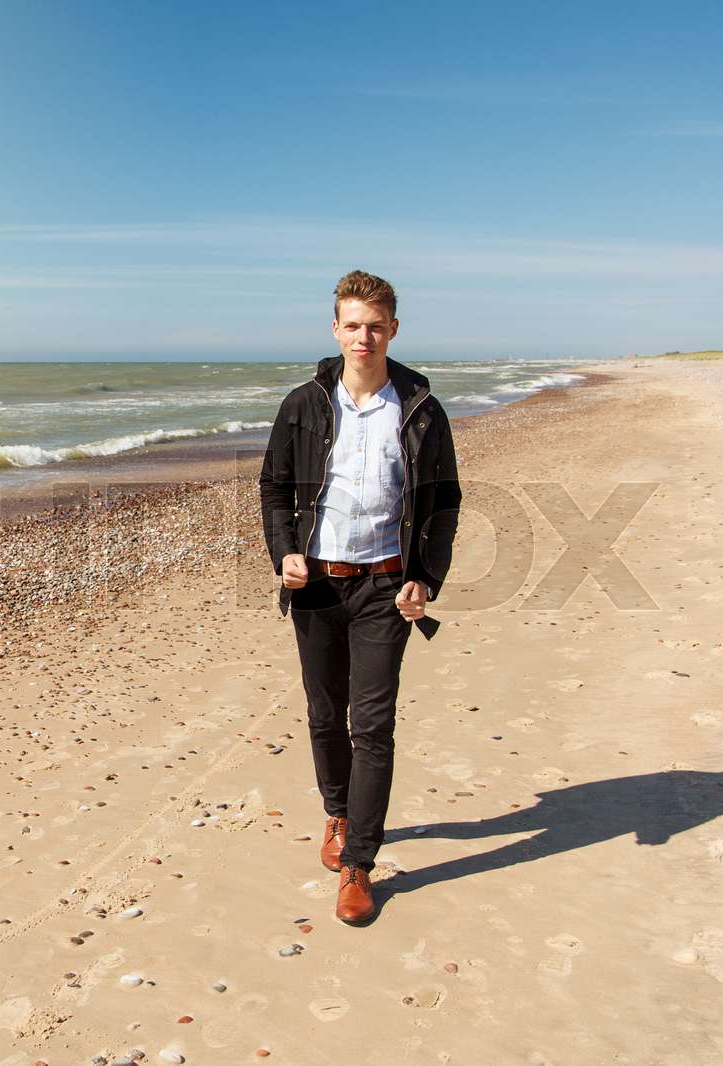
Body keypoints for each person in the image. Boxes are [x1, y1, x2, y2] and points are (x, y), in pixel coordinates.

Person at [257, 270, 461, 924]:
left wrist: (425, 578)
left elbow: (444, 504)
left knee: (371, 724)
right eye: (352, 324)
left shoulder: (422, 409)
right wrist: (284, 551)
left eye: (375, 325)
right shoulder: (305, 404)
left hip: (384, 587)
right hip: (316, 585)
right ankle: (338, 816)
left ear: (393, 329)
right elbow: (274, 489)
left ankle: (359, 864)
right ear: (336, 329)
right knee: (325, 715)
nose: (363, 336)